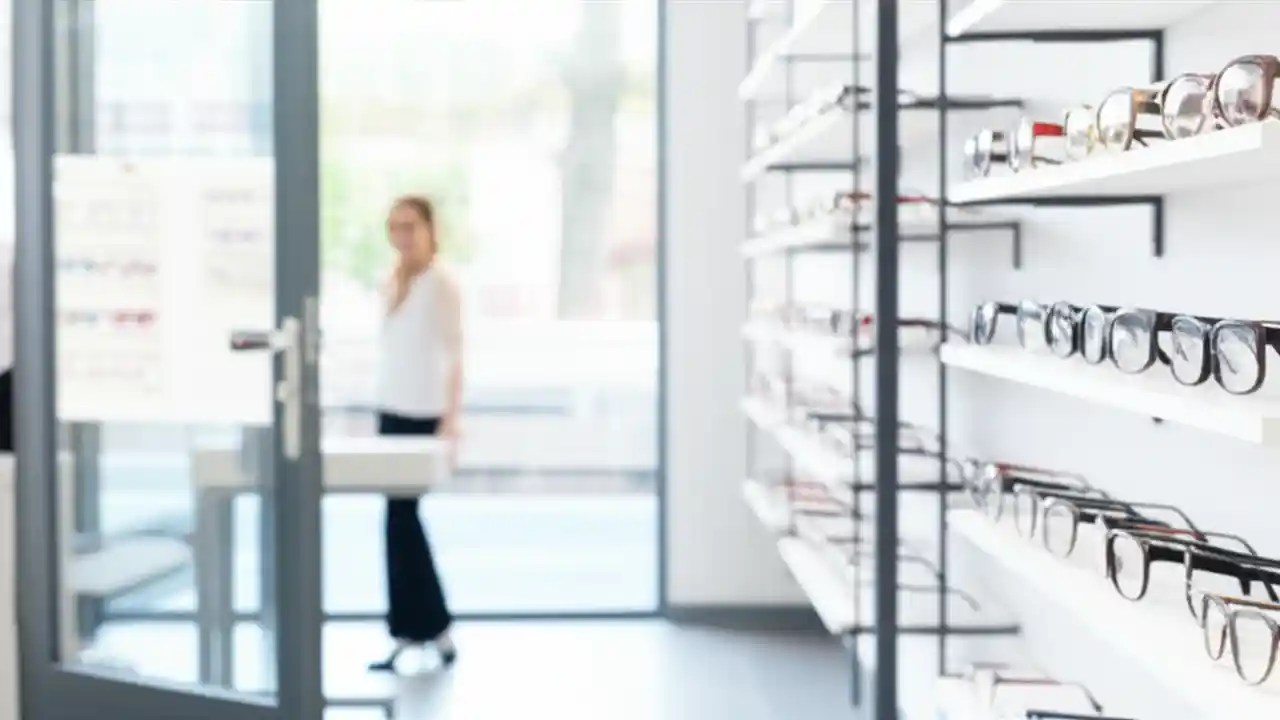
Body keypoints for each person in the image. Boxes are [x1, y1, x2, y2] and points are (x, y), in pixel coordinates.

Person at [368, 195, 462, 672]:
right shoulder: (393, 280)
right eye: (395, 227)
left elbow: (455, 354)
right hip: (391, 409)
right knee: (395, 523)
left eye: (410, 226)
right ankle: (413, 630)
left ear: (429, 228)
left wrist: (451, 421)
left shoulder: (440, 284)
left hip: (422, 415)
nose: (402, 236)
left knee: (404, 521)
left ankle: (433, 627)